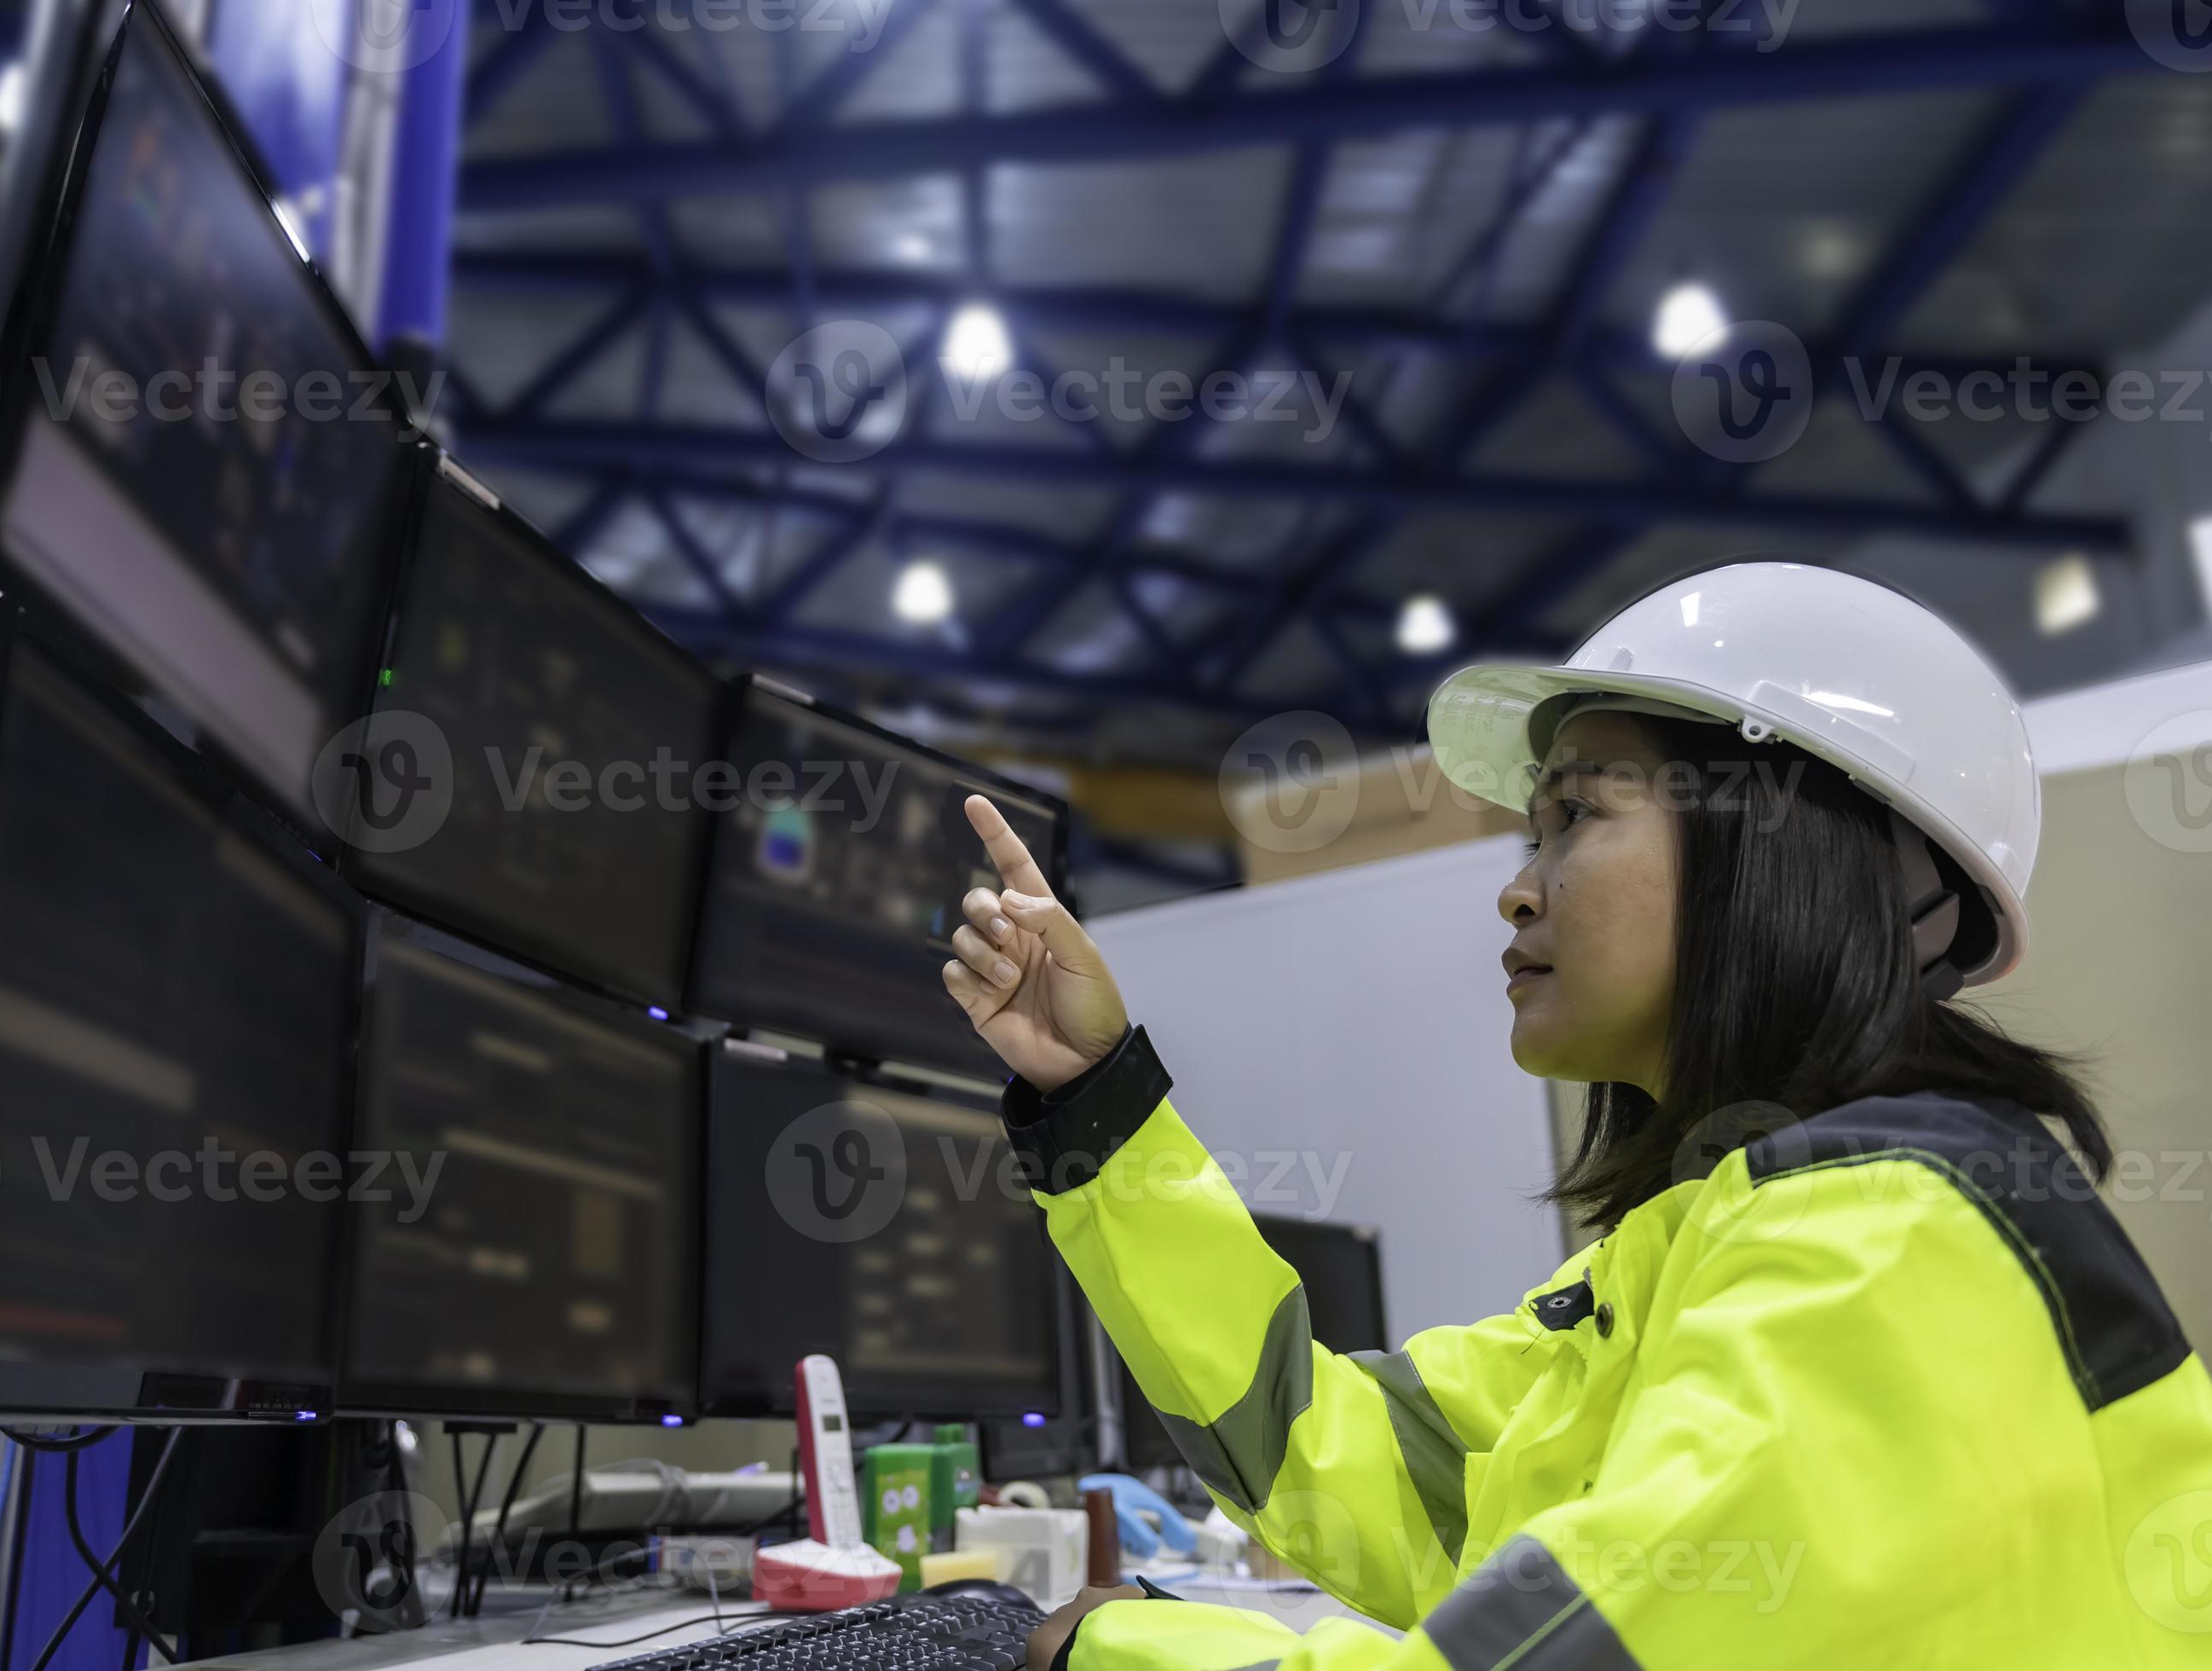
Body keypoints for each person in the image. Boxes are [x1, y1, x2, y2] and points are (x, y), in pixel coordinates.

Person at [940, 563, 2212, 1669]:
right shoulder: (1699, 1250)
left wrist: (1115, 1646)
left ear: (1784, 850)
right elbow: (1337, 1459)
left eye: (1576, 818)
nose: (1518, 891)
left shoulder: (1890, 1247)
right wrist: (1097, 1099)